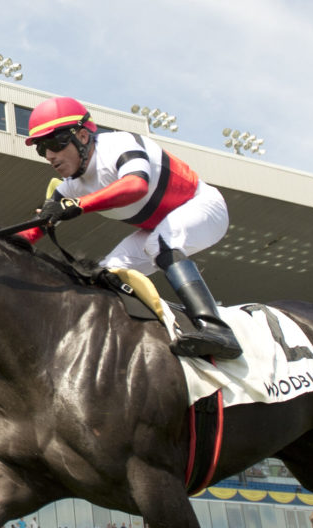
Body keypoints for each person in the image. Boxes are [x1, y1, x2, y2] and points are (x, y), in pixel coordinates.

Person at [20, 96, 241, 360]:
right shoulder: (69, 188)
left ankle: (218, 330)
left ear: (82, 136)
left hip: (203, 206)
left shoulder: (118, 144)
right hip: (156, 227)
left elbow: (136, 185)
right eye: (41, 148)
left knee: (161, 244)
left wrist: (78, 205)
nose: (49, 155)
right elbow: (33, 232)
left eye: (54, 143)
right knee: (106, 274)